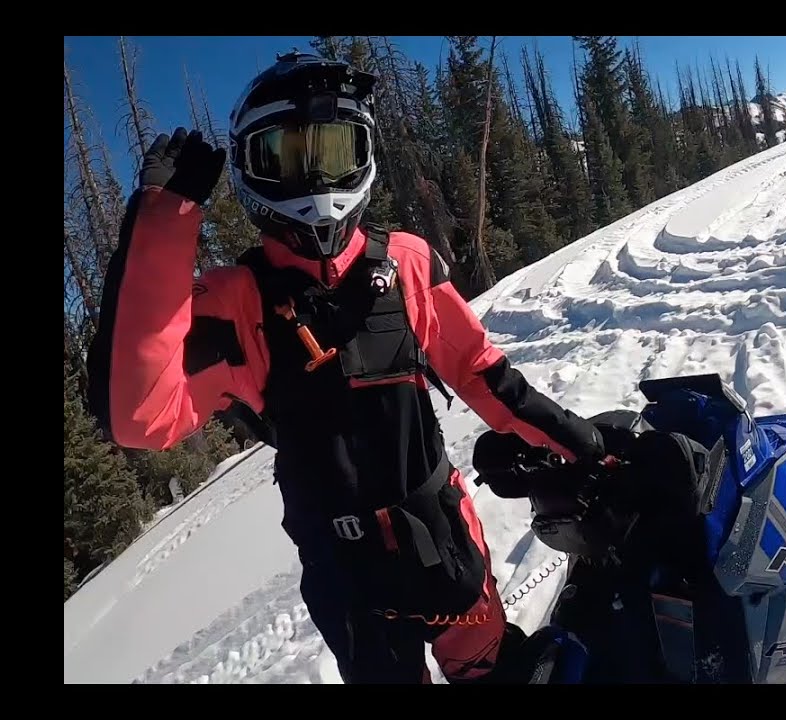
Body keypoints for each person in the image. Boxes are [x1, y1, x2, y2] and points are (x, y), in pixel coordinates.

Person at [86, 51, 606, 684]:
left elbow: (481, 372)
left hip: (441, 538)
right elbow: (139, 415)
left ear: (362, 153)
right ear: (253, 169)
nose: (313, 180)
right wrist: (162, 226)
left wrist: (580, 440)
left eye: (331, 152)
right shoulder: (237, 299)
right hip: (348, 576)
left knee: (496, 671)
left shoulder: (407, 261)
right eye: (286, 156)